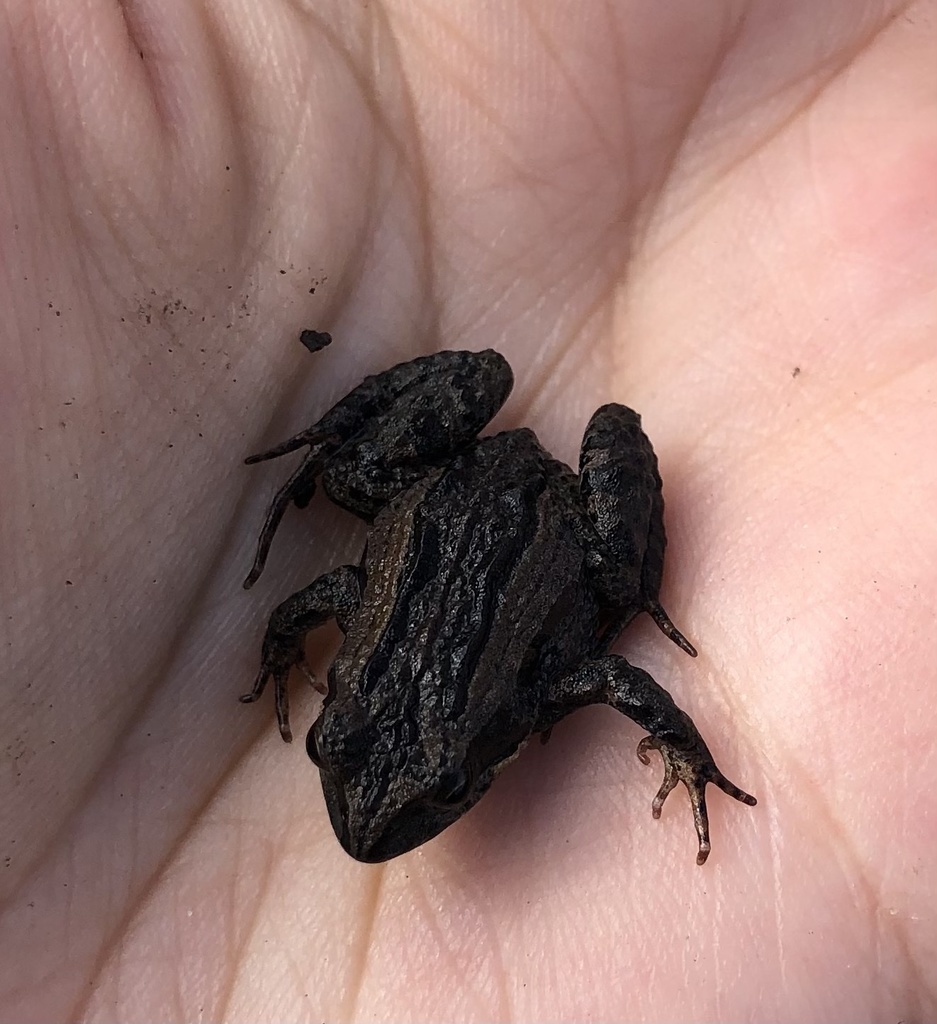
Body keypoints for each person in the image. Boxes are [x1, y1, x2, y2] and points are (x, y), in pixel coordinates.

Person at [1, 1, 934, 1019]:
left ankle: (590, 564)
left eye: (443, 782)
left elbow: (565, 660)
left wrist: (682, 744)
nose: (363, 821)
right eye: (336, 746)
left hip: (528, 506)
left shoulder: (511, 681)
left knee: (595, 561)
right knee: (461, 498)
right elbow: (569, 664)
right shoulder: (459, 665)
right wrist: (281, 643)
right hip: (457, 494)